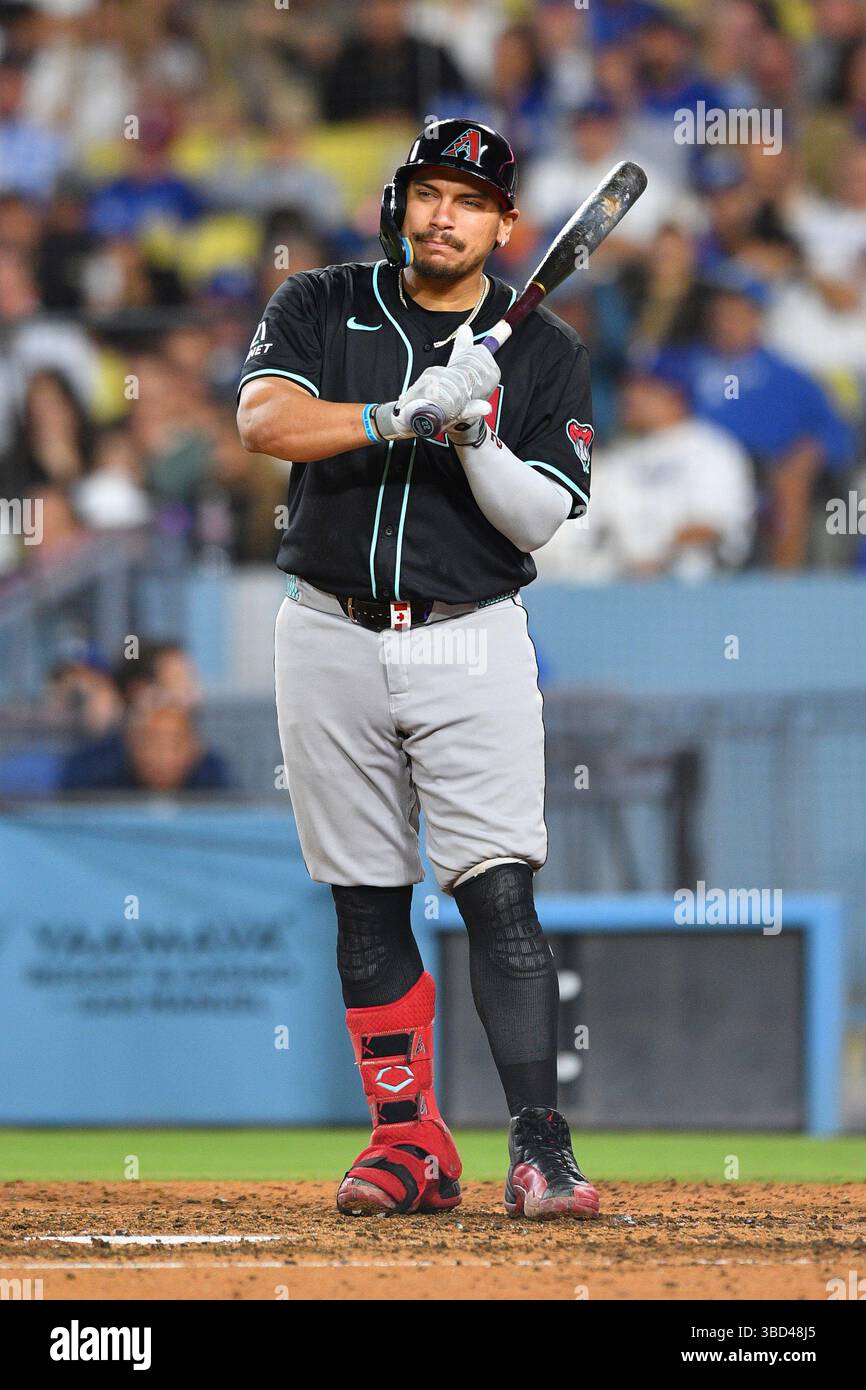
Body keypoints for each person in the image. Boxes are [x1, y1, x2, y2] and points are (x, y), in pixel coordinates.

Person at [237, 118, 599, 1221]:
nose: (442, 214)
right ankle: (408, 1142)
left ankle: (538, 1147)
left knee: (496, 888)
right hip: (327, 626)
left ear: (504, 226)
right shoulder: (317, 299)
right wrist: (394, 414)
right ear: (396, 203)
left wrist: (473, 433)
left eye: (467, 200)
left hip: (467, 628)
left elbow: (548, 512)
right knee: (362, 896)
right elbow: (263, 420)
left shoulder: (544, 350)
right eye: (426, 193)